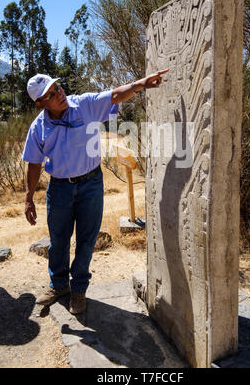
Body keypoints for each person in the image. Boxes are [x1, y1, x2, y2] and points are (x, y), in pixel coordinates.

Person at [23, 69, 168, 314]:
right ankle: (59, 285)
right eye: (51, 94)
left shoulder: (83, 105)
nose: (59, 93)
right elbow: (34, 163)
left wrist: (140, 84)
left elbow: (112, 96)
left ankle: (78, 290)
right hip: (59, 189)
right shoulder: (38, 127)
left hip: (91, 185)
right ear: (40, 103)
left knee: (86, 240)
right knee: (58, 241)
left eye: (57, 87)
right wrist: (28, 198)